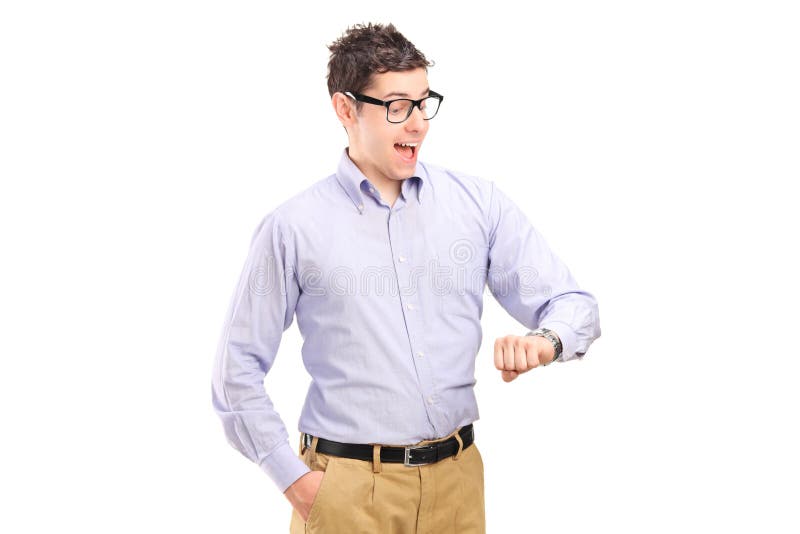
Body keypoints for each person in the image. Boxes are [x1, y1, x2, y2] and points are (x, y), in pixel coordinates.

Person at [211, 22, 601, 533]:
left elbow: (573, 304)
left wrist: (546, 342)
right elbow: (235, 371)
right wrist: (298, 485)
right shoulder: (292, 228)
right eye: (397, 106)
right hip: (348, 493)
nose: (417, 123)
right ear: (345, 109)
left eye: (423, 102)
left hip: (458, 486)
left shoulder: (476, 204)